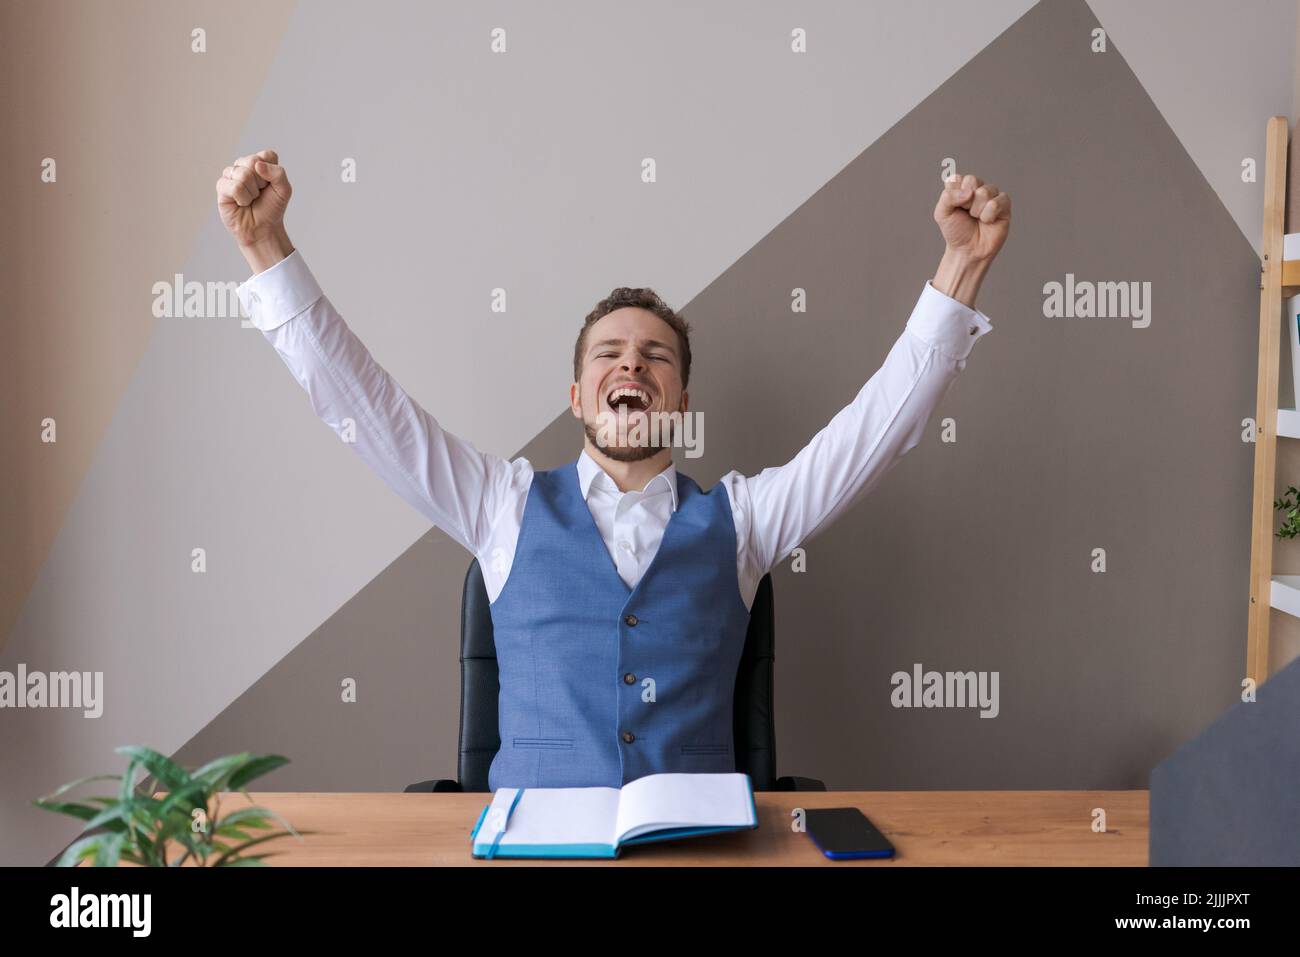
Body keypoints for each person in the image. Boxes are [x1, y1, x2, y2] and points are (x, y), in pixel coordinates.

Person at [215, 149, 1011, 790]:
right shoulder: (501, 504)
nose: (632, 360)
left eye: (654, 354)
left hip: (699, 855)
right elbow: (371, 411)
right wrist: (265, 247)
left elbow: (872, 433)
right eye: (610, 352)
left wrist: (961, 268)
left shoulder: (748, 520)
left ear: (680, 396)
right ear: (577, 395)